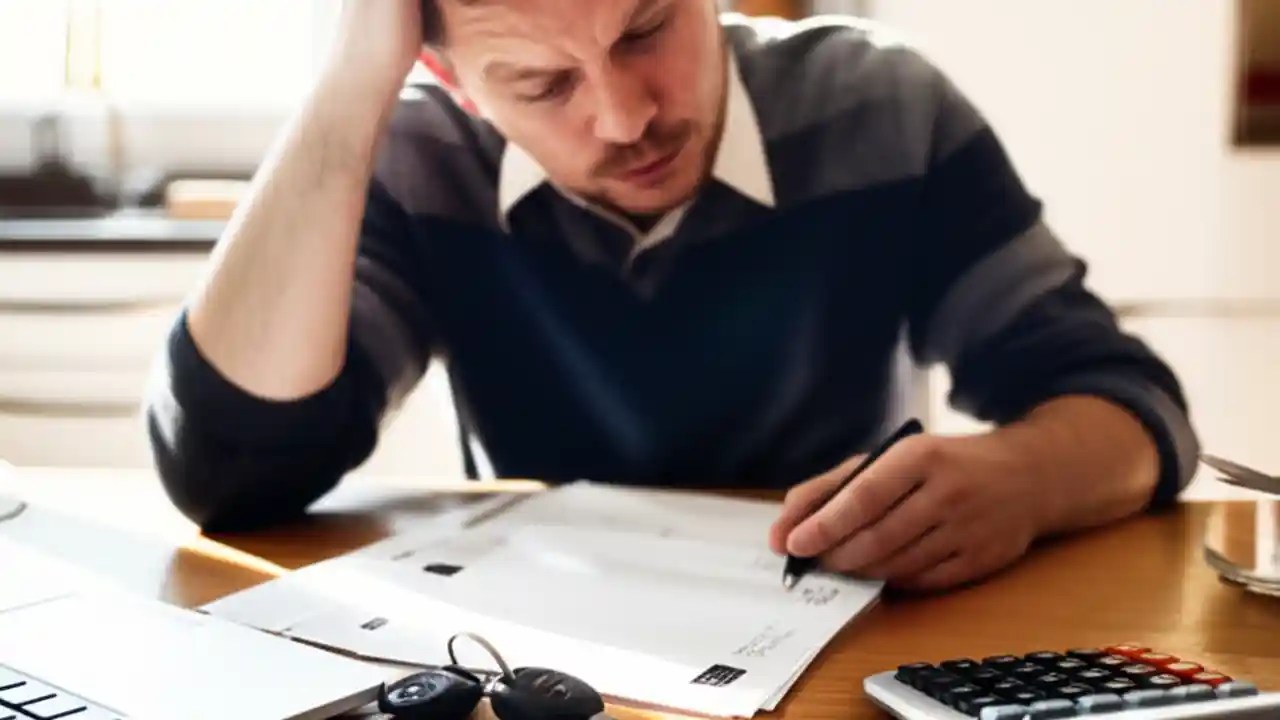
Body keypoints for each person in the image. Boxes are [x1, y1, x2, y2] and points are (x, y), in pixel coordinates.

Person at [144, 0, 1199, 592]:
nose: (621, 118)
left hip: (855, 639)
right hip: (552, 663)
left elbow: (1126, 405)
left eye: (646, 27)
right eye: (542, 85)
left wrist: (1017, 475)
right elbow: (232, 470)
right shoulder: (421, 155)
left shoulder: (881, 104)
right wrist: (348, 79)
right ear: (454, 81)